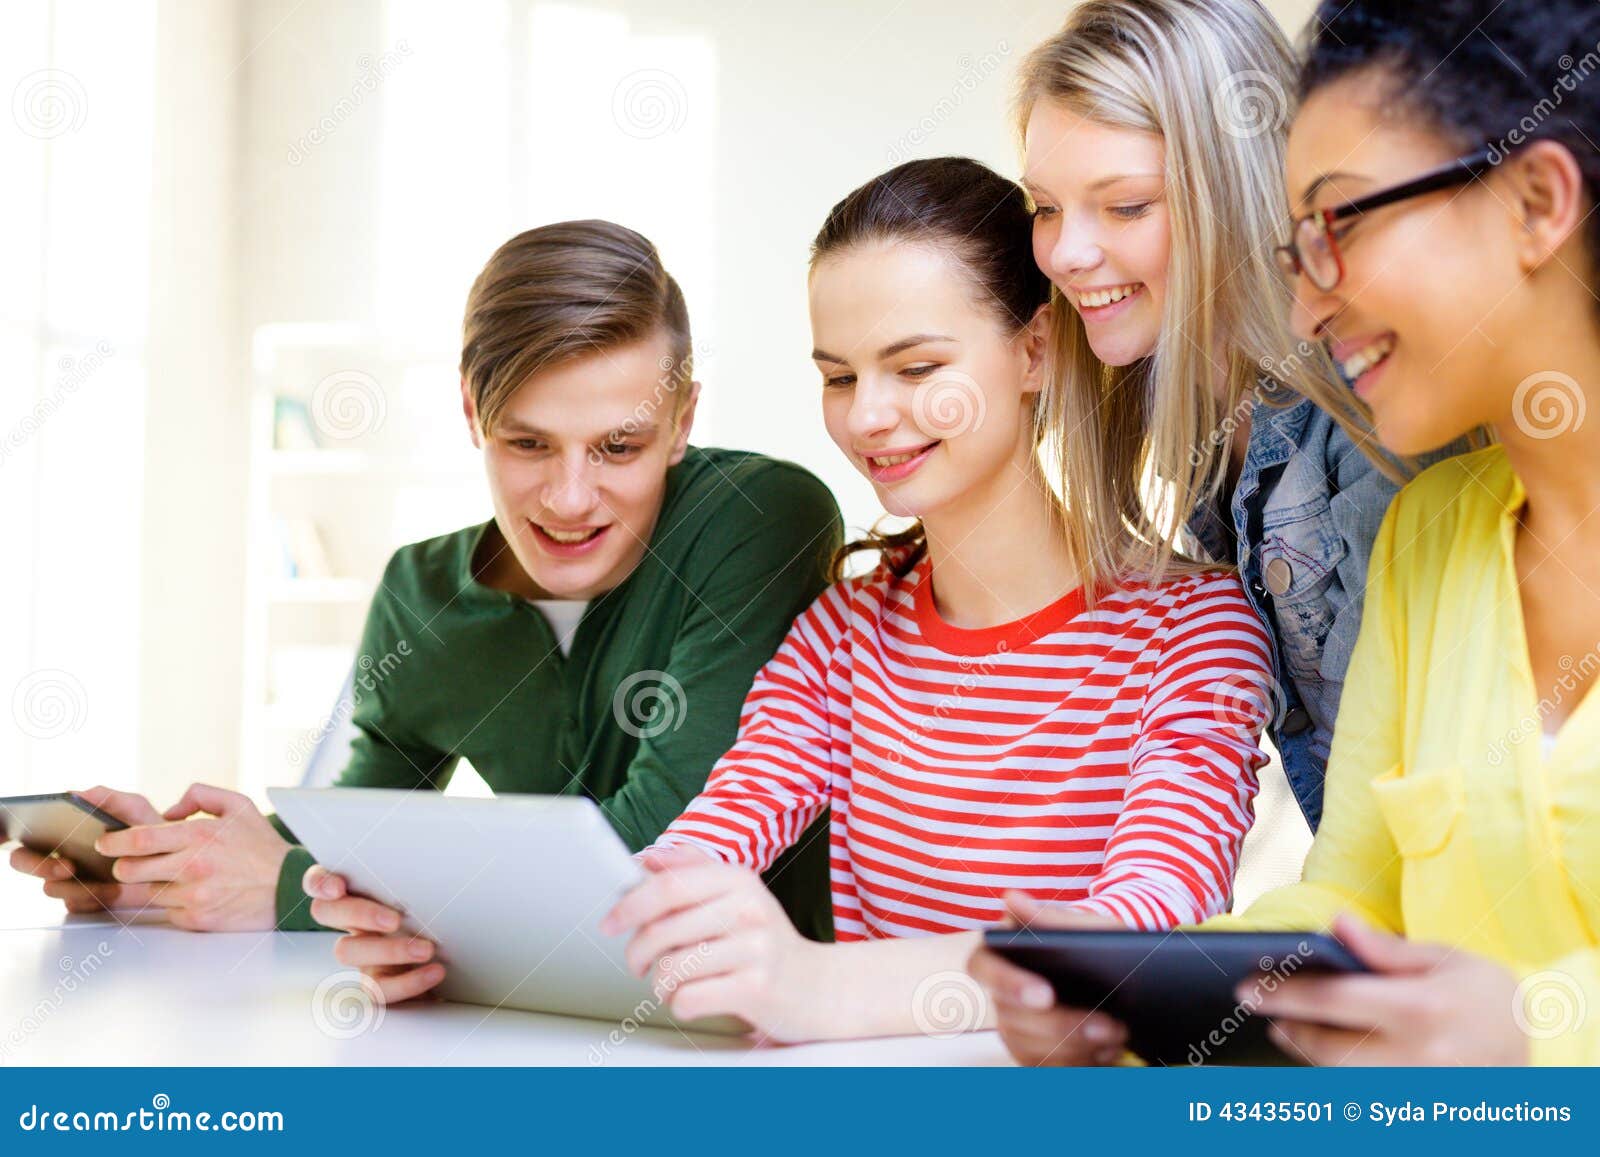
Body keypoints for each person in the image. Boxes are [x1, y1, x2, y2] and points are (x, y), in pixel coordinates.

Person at [973, 0, 1600, 1066]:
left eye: (1341, 223)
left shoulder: (1375, 467)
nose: (1305, 306)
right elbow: (1350, 896)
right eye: (1299, 240)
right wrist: (1142, 992)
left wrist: (1532, 1028)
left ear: (1537, 203)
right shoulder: (1433, 532)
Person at [554, 157, 1277, 1043]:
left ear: (1036, 349)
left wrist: (821, 985)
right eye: (839, 377)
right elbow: (704, 843)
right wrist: (453, 926)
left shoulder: (1194, 630)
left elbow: (1145, 933)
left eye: (916, 366)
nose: (867, 417)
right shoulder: (840, 638)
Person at [10, 221, 841, 965]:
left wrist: (286, 886)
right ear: (472, 412)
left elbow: (655, 849)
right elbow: (363, 829)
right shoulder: (422, 591)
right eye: (528, 443)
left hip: (755, 1035)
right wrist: (168, 863)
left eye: (618, 447)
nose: (569, 498)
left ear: (682, 421)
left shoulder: (760, 520)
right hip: (535, 1023)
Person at [1017, 0, 1460, 830]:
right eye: (1045, 207)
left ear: (1234, 189)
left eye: (1126, 206)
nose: (1066, 253)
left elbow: (1417, 808)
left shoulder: (1376, 418)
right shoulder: (1200, 424)